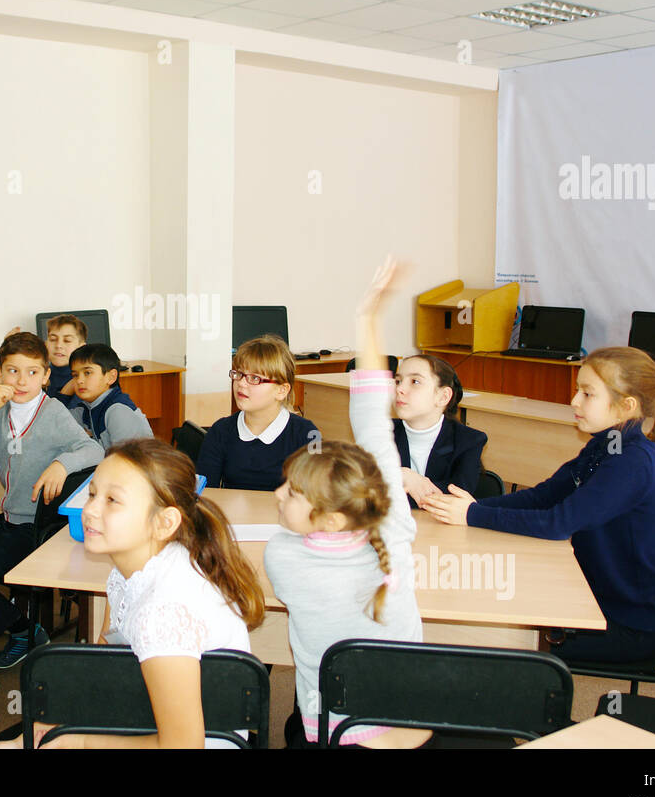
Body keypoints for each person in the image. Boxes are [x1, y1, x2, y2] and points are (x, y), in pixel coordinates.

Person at [426, 345, 655, 664]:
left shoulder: (631, 461)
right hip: (590, 597)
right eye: (577, 391)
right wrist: (470, 509)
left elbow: (557, 523)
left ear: (626, 406)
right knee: (488, 612)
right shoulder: (608, 444)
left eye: (587, 394)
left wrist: (473, 514)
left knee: (496, 644)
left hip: (625, 625)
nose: (574, 401)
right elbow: (543, 496)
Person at [0, 439, 265, 748]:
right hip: (140, 712)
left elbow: (183, 746)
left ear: (164, 523)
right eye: (92, 494)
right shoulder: (130, 572)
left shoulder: (163, 611)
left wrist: (78, 742)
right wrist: (58, 720)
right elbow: (104, 666)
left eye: (112, 500)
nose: (90, 510)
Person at [264, 260, 427, 749]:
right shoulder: (392, 521)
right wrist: (368, 322)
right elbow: (376, 427)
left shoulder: (283, 555)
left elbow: (374, 422)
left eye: (292, 492)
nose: (278, 495)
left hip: (332, 729)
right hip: (409, 725)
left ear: (330, 517)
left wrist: (364, 318)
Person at [0, 331, 103, 722]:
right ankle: (24, 628)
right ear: (0, 374)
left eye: (32, 372)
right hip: (8, 519)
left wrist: (62, 464)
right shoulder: (2, 412)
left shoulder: (53, 413)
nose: (21, 380)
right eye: (12, 371)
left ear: (46, 376)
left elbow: (94, 448)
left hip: (35, 528)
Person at [196, 334, 318, 491]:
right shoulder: (220, 431)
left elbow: (317, 496)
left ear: (282, 390)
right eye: (238, 374)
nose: (241, 383)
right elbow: (204, 495)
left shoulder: (308, 434)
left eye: (254, 378)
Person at [391, 354, 487, 507]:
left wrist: (392, 484)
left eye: (415, 381)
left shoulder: (469, 441)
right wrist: (399, 475)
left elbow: (454, 499)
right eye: (398, 381)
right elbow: (358, 489)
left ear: (443, 397)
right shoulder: (381, 433)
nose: (399, 389)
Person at [67, 343, 153, 450]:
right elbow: (56, 425)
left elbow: (126, 462)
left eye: (88, 373)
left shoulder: (118, 411)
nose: (79, 380)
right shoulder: (86, 408)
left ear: (111, 377)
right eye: (75, 375)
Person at [44, 314, 86, 401]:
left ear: (81, 347)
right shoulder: (39, 375)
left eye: (67, 341)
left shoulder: (84, 381)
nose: (58, 345)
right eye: (53, 339)